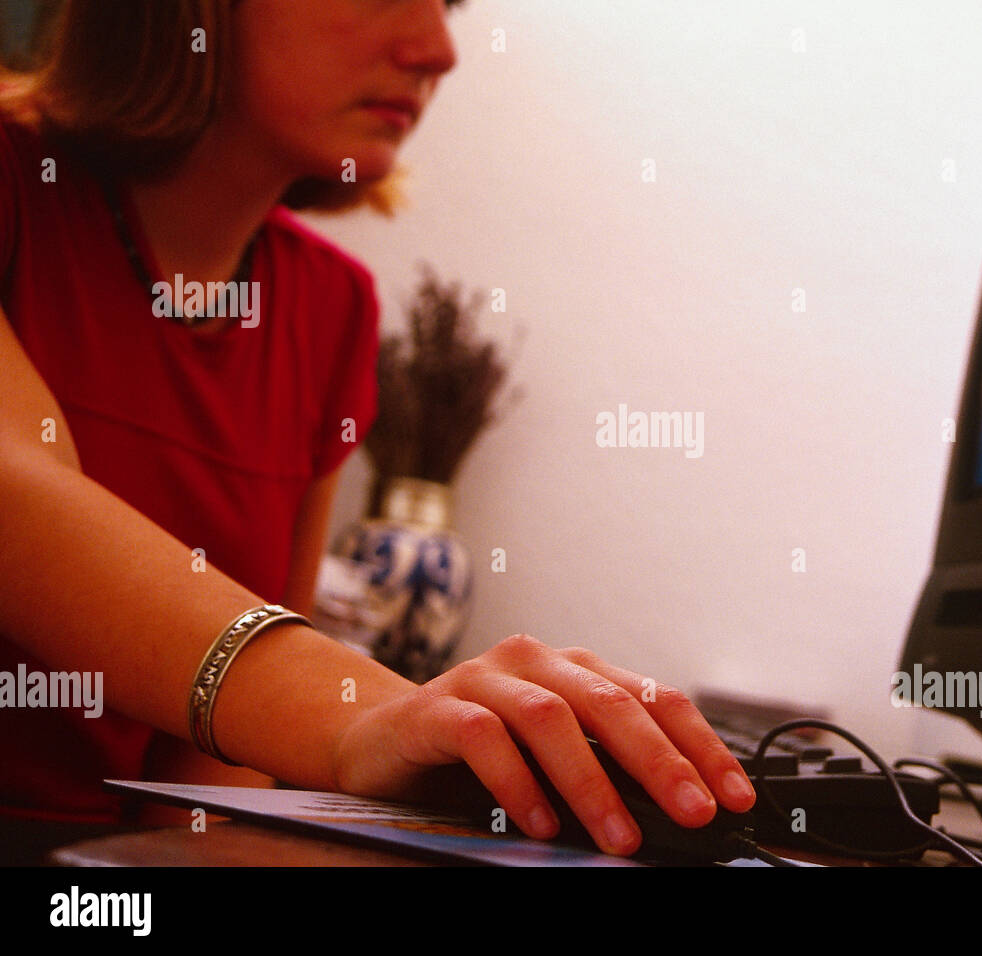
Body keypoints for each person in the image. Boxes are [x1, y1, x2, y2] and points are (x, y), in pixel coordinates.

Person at [0, 0, 756, 863]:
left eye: (449, 6)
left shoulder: (332, 304)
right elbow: (16, 489)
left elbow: (211, 762)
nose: (438, 51)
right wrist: (366, 716)